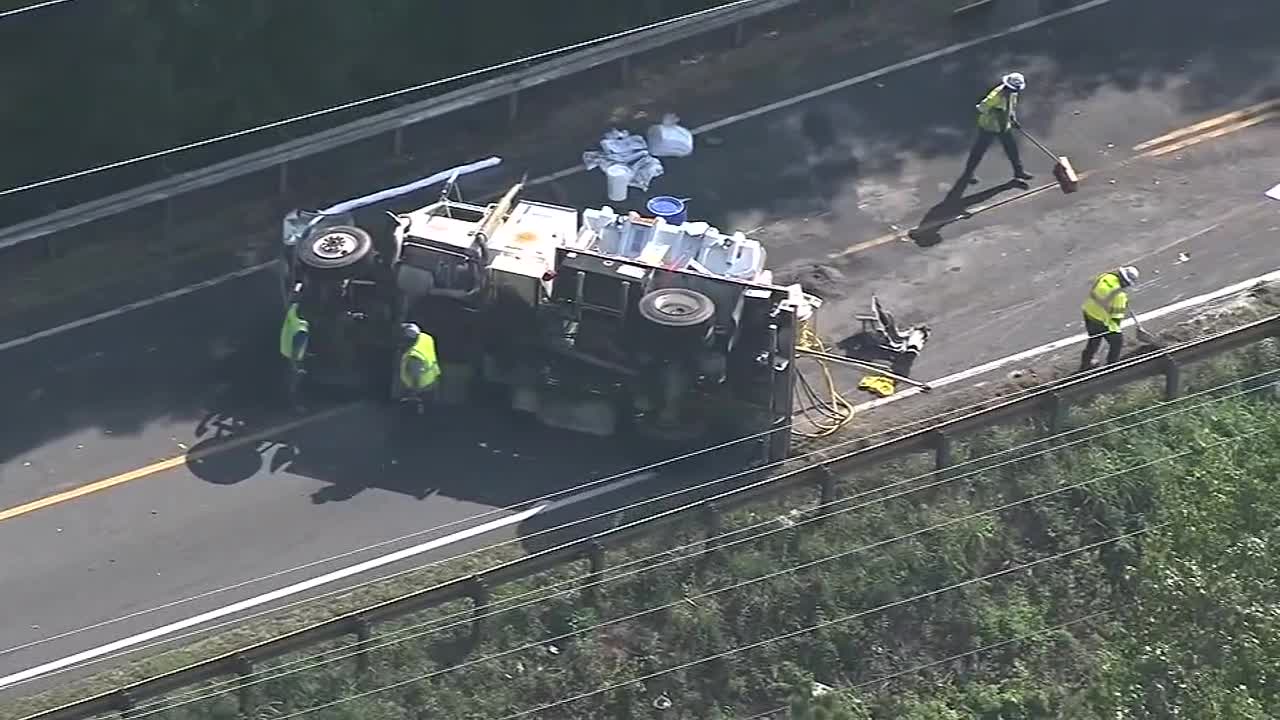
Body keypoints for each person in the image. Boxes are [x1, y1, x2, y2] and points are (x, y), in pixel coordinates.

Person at [955, 72, 1033, 188]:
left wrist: (1013, 119)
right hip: (989, 127)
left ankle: (1018, 171)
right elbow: (981, 107)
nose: (1016, 90)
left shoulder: (1013, 94)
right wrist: (994, 111)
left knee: (1012, 149)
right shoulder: (996, 96)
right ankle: (968, 174)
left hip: (1004, 126)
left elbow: (1010, 107)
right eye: (1014, 88)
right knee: (979, 151)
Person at [1080, 265, 1139, 371]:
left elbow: (1095, 291)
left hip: (1088, 312)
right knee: (1117, 342)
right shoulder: (1119, 296)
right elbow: (1116, 319)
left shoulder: (1106, 276)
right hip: (1100, 320)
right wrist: (1116, 331)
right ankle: (1112, 367)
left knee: (1094, 338)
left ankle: (1086, 363)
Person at [393, 322, 441, 413]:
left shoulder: (414, 356)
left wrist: (413, 395)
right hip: (433, 378)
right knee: (431, 409)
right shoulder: (426, 338)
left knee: (418, 414)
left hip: (422, 386)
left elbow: (416, 376)